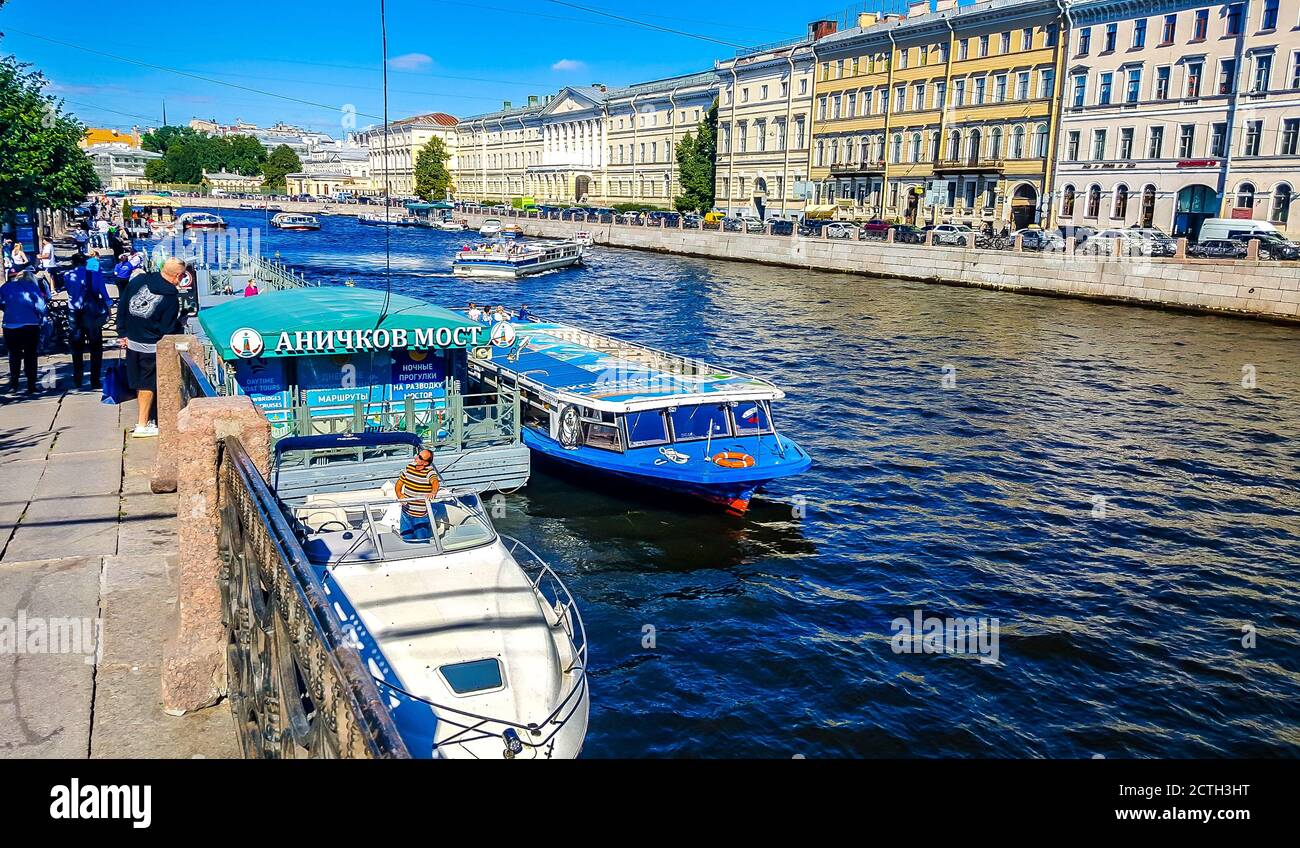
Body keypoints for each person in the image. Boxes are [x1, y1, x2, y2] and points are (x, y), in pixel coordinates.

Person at [117, 256, 185, 437]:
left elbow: (123, 305)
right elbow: (167, 329)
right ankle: (142, 424)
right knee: (147, 383)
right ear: (178, 276)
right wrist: (181, 322)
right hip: (151, 346)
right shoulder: (170, 297)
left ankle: (149, 419)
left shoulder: (140, 279)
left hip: (132, 341)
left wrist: (121, 332)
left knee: (139, 383)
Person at [62, 253, 113, 390]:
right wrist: (109, 309)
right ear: (85, 263)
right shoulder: (95, 274)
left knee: (76, 346)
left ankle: (77, 377)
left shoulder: (67, 275)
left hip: (74, 312)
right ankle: (95, 380)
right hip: (92, 313)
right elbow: (104, 293)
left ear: (73, 263)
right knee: (95, 347)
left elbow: (69, 292)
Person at [1, 267, 49, 395]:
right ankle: (31, 385)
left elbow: (1, 302)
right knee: (31, 355)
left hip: (10, 324)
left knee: (14, 355)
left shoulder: (6, 287)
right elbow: (42, 307)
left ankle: (14, 384)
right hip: (30, 324)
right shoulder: (32, 287)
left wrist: (9, 310)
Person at [393, 448, 441, 542]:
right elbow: (399, 484)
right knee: (405, 540)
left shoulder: (429, 472)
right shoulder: (409, 467)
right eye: (417, 455)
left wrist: (433, 492)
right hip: (405, 513)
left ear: (425, 463)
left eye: (419, 457)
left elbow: (435, 482)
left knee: (422, 541)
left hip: (420, 516)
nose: (416, 458)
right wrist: (400, 495)